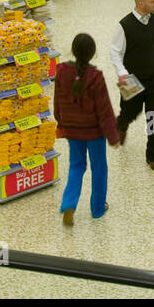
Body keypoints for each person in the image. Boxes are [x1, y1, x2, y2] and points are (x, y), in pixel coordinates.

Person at [54, 33, 120, 225]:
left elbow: (57, 103)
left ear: (73, 51)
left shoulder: (62, 71)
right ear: (93, 53)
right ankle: (98, 208)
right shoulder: (95, 77)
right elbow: (104, 110)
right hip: (94, 133)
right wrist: (113, 136)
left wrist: (61, 124)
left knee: (76, 166)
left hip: (72, 131)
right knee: (99, 168)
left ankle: (69, 204)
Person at [111, 0, 154, 171]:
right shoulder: (124, 25)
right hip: (131, 79)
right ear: (141, 4)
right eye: (153, 2)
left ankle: (153, 156)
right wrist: (121, 72)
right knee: (130, 111)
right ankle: (121, 126)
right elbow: (115, 51)